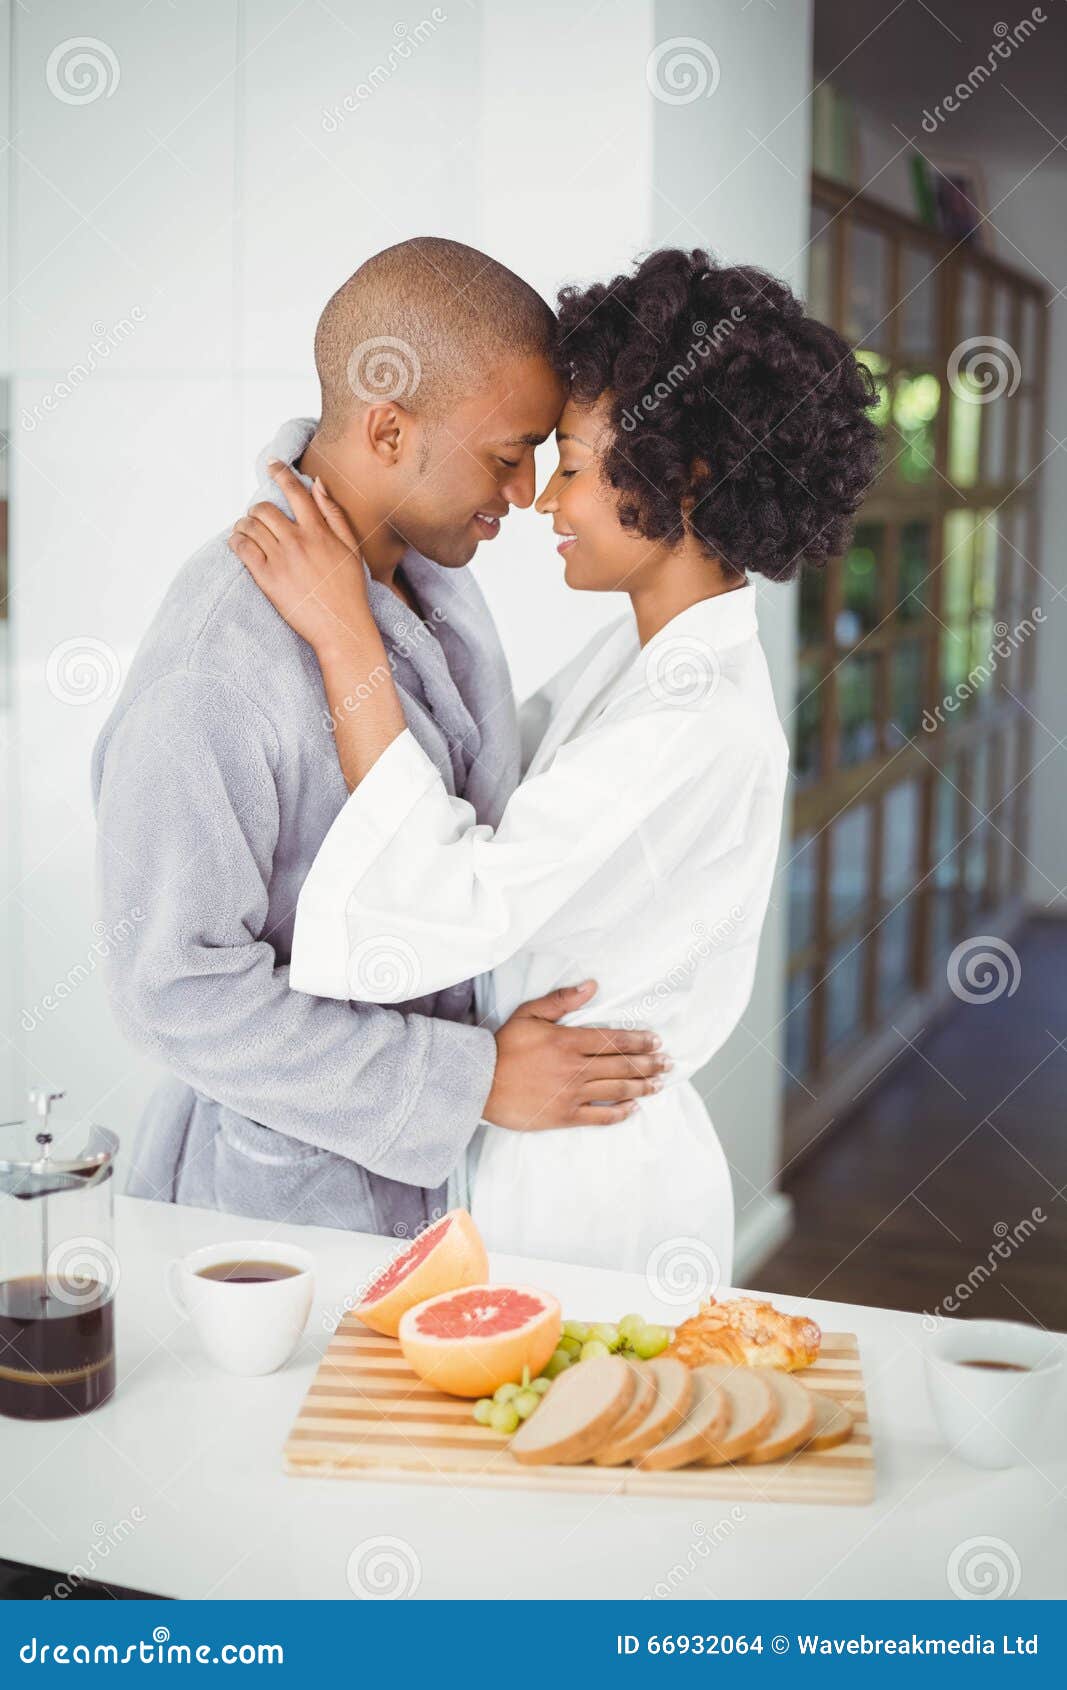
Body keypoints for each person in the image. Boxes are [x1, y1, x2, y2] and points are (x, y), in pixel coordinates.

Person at [229, 247, 882, 1275]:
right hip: (540, 1146)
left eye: (571, 464)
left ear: (683, 479)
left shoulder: (692, 716)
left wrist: (343, 632)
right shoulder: (642, 653)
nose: (541, 500)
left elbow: (448, 892)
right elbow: (478, 778)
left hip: (588, 1187)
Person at [91, 238, 668, 1240]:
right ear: (391, 430)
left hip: (443, 1198)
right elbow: (172, 994)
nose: (526, 489)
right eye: (505, 453)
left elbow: (456, 847)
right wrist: (470, 1081)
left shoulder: (430, 581)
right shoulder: (215, 666)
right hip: (273, 1216)